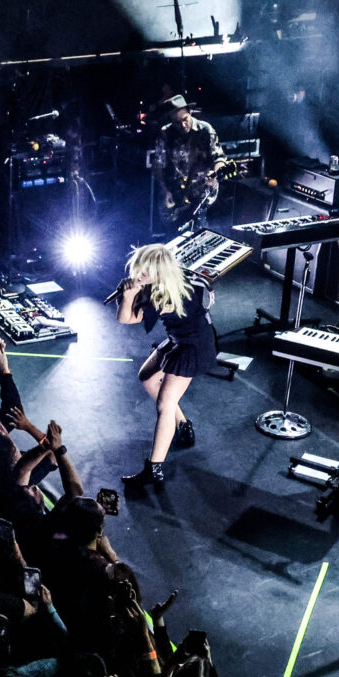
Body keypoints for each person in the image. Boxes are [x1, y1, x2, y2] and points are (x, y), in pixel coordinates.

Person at [115, 244, 212, 488]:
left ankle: (154, 469)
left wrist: (127, 297)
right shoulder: (173, 278)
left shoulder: (162, 296)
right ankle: (183, 425)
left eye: (146, 273)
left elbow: (126, 318)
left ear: (160, 271)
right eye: (140, 270)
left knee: (164, 404)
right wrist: (132, 293)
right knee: (147, 378)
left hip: (192, 346)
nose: (139, 276)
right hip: (179, 338)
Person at [150, 95, 232, 227]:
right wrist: (165, 190)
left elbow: (220, 158)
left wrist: (214, 175)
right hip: (176, 192)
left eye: (185, 119)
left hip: (202, 191)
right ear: (170, 120)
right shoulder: (165, 133)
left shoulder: (205, 130)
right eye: (177, 122)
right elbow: (158, 165)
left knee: (199, 230)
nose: (182, 125)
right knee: (173, 233)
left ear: (190, 112)